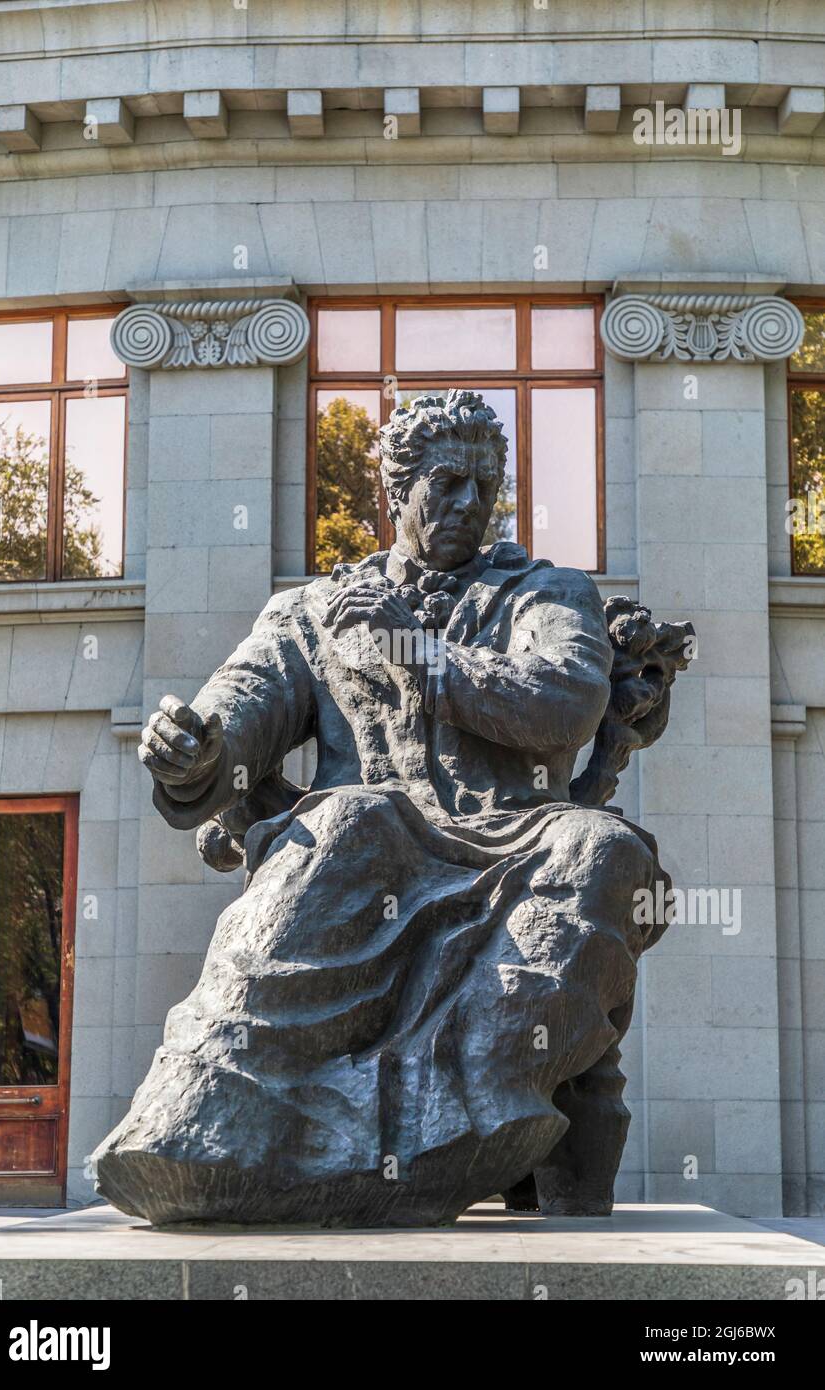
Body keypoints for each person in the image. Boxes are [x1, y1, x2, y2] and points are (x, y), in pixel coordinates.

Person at [93, 390, 668, 1227]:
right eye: (446, 484)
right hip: (365, 845)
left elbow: (566, 700)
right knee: (345, 823)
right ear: (395, 494)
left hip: (521, 834)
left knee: (603, 850)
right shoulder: (312, 612)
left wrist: (419, 650)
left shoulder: (545, 592)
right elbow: (241, 708)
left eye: (485, 485)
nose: (470, 505)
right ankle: (215, 1121)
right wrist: (199, 752)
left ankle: (486, 1117)